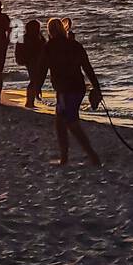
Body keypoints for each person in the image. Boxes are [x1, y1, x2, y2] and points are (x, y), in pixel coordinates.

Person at [36, 17, 103, 167]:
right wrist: (97, 87)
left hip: (66, 90)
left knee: (71, 123)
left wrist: (37, 87)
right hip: (78, 88)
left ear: (50, 31)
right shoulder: (74, 45)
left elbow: (42, 69)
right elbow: (88, 68)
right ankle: (65, 157)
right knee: (60, 121)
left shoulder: (49, 46)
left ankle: (93, 157)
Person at [15, 19, 46, 108]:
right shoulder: (36, 38)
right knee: (34, 80)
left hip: (31, 61)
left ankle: (32, 99)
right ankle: (30, 101)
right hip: (33, 60)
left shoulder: (30, 37)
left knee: (34, 80)